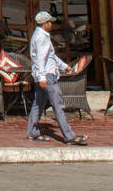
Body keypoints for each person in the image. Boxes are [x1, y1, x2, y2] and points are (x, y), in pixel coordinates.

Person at [27, 10, 88, 145]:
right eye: (49, 22)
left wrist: (63, 66)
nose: (51, 25)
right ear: (44, 23)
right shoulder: (41, 37)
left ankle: (32, 131)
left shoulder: (40, 35)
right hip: (48, 76)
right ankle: (69, 136)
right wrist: (42, 77)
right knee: (58, 105)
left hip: (44, 75)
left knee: (38, 104)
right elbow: (40, 59)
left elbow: (50, 56)